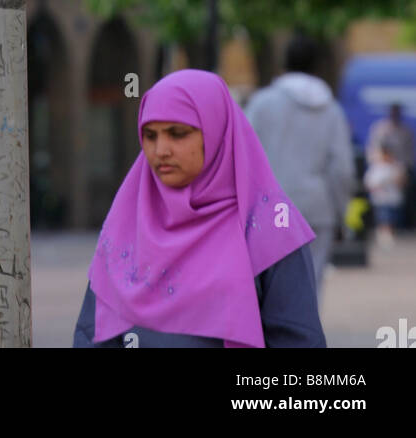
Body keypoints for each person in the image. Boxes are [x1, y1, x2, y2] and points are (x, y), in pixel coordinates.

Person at [74, 69, 326, 348]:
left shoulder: (270, 228)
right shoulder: (126, 223)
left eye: (178, 133)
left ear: (216, 130)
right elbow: (93, 332)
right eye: (150, 135)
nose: (161, 150)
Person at [245, 33, 354, 294]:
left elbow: (243, 155)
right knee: (310, 285)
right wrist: (340, 214)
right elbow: (342, 169)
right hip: (316, 210)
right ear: (316, 66)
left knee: (268, 286)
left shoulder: (262, 103)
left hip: (268, 209)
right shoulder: (331, 109)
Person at [364, 140, 406, 249]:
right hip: (381, 199)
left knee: (392, 218)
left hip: (393, 198)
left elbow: (401, 181)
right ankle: (384, 235)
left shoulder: (396, 166)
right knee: (384, 217)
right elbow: (369, 183)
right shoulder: (376, 167)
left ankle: (388, 234)